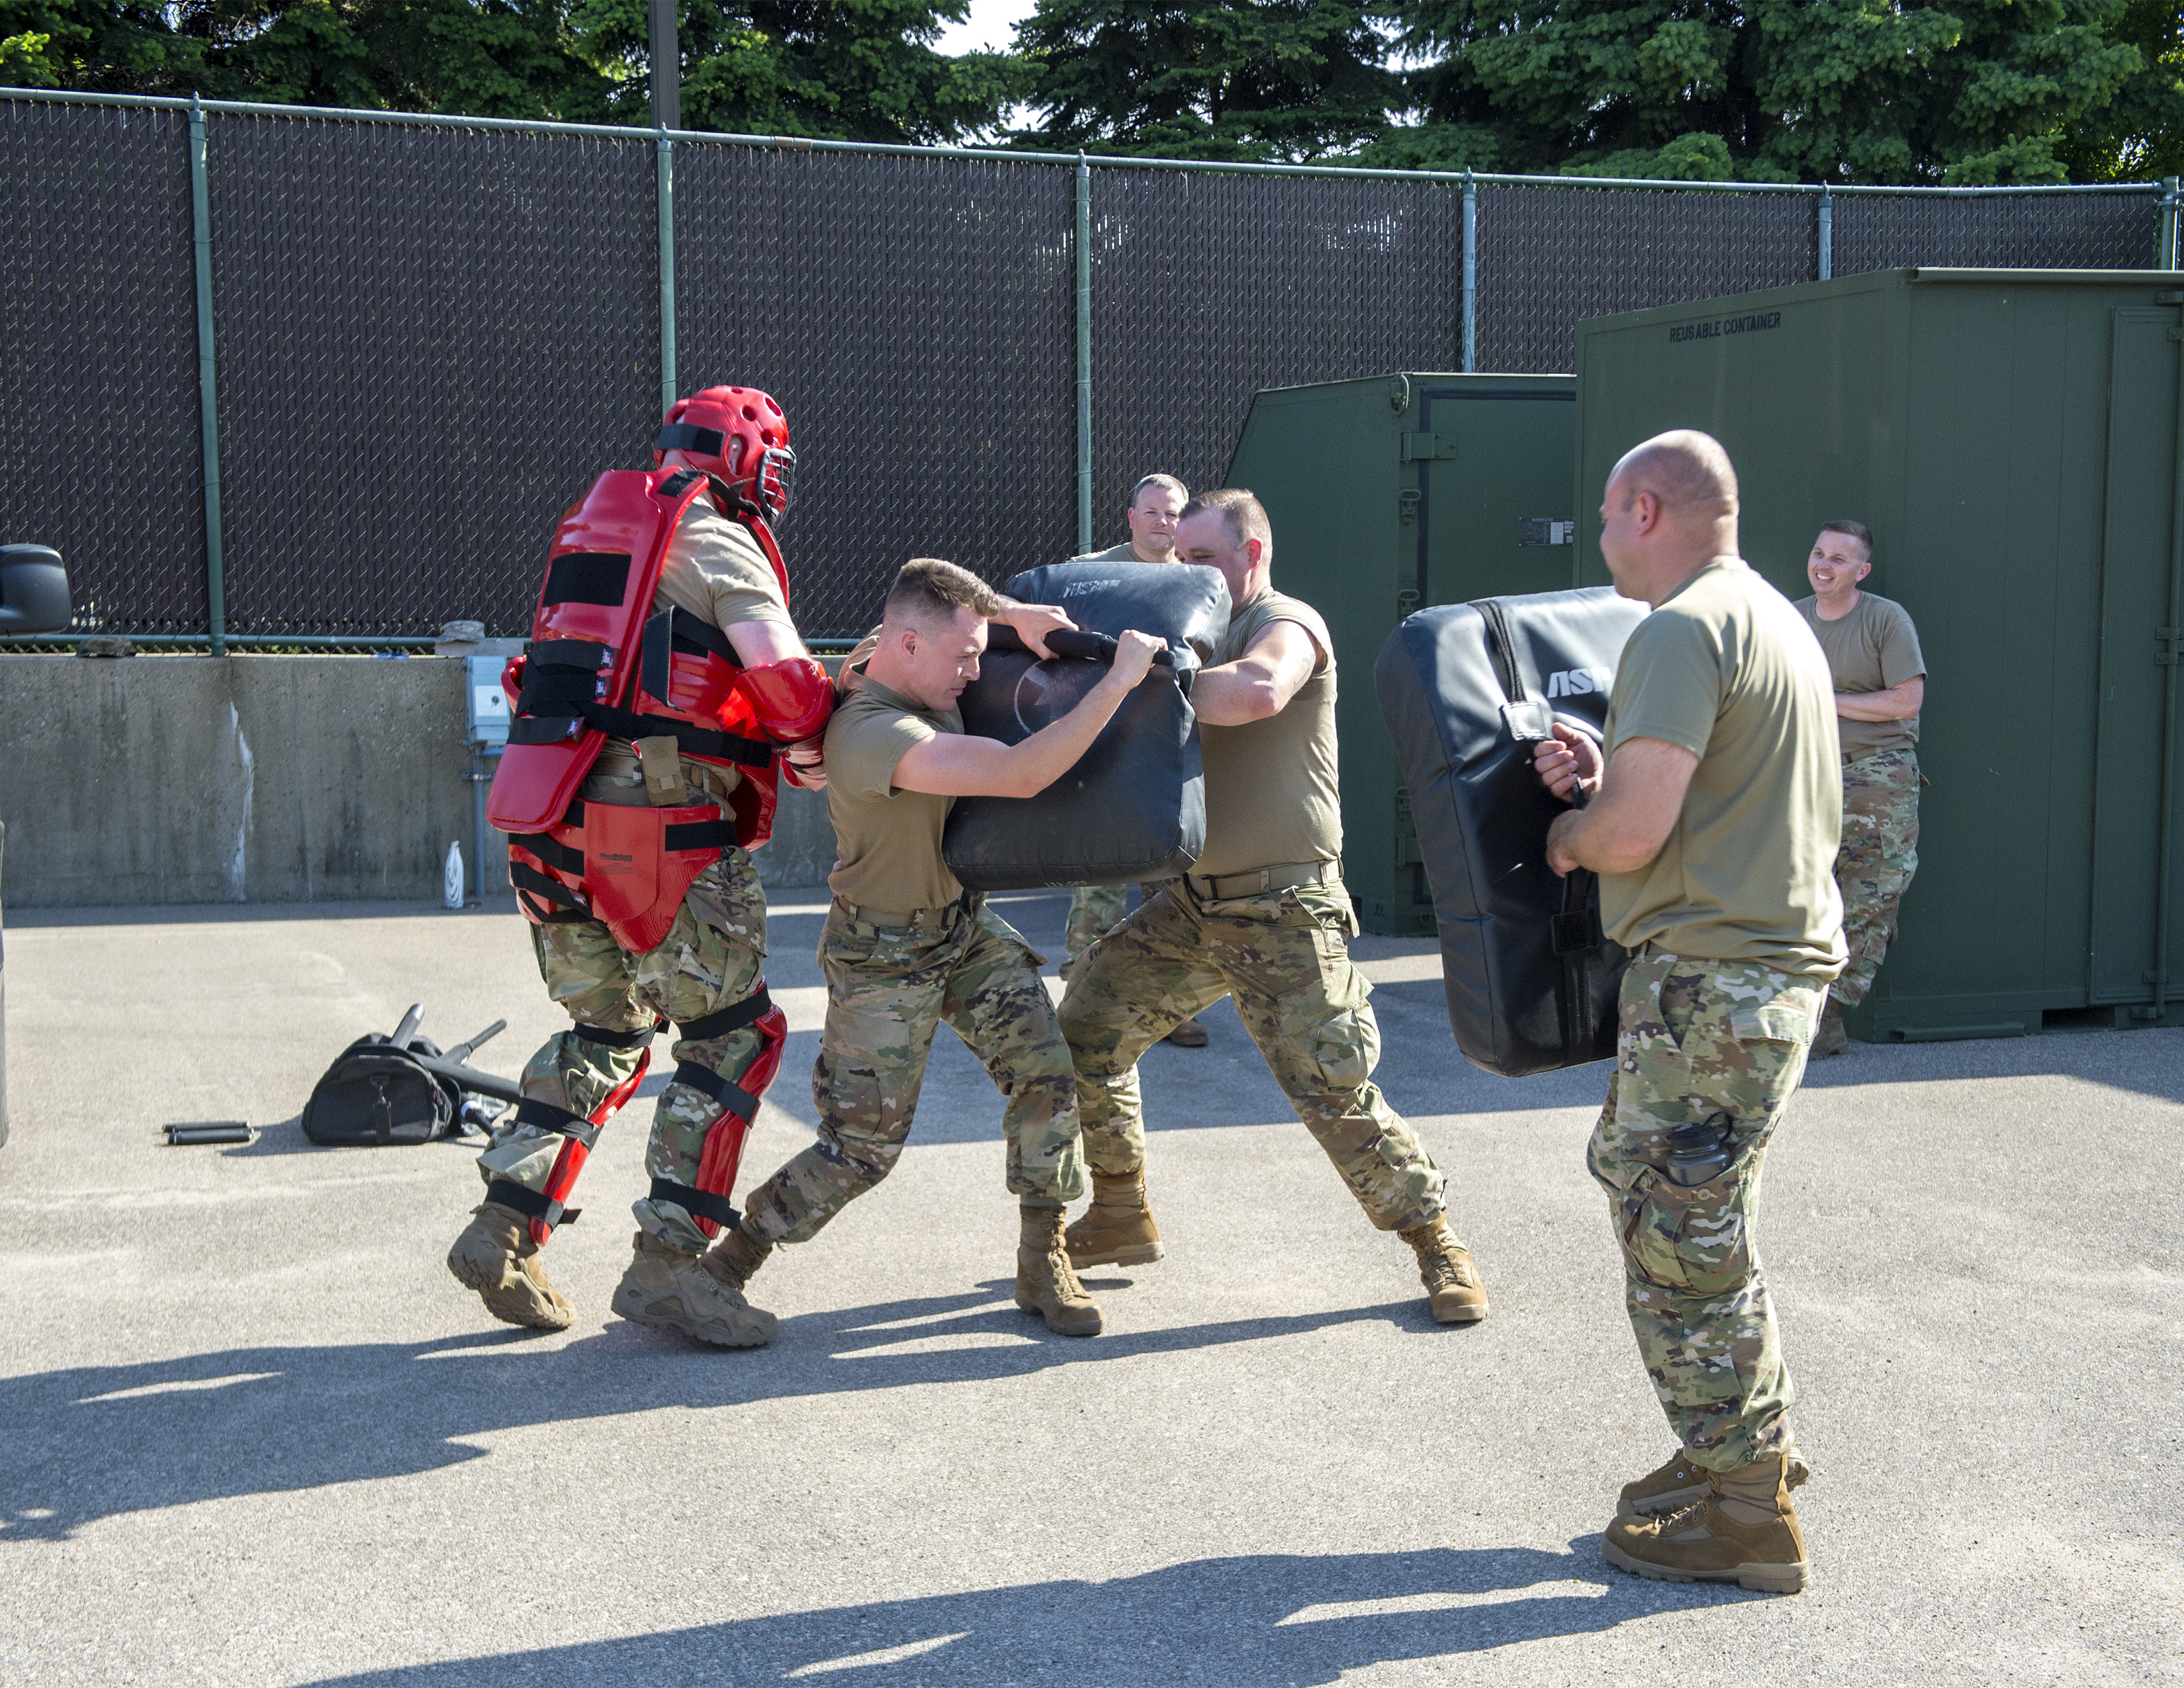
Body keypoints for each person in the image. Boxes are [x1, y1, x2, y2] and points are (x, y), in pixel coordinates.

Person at [445, 386, 833, 1350]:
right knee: (734, 1034)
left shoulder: (602, 521)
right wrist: (832, 728)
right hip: (658, 825)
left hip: (548, 814)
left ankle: (500, 1228)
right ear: (744, 458)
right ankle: (669, 1265)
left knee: (607, 1028)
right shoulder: (717, 533)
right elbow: (782, 681)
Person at [698, 558, 1166, 1337]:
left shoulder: (905, 657)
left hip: (961, 925)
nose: (974, 673)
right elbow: (1019, 775)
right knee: (861, 1149)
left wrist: (1010, 616)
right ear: (907, 647)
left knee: (1047, 1074)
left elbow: (928, 582)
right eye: (963, 658)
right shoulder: (871, 733)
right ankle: (727, 1265)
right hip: (882, 951)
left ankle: (1040, 1256)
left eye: (979, 655)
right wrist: (1118, 681)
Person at [1532, 431, 1844, 1595]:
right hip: (1752, 980)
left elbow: (1626, 836)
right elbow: (1701, 791)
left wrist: (1569, 834)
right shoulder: (1768, 618)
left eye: (1609, 517)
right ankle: (1734, 1449)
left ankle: (1748, 1513)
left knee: (1681, 1246)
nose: (1603, 537)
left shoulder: (1677, 628)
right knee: (1677, 1212)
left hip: (1716, 983)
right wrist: (1604, 768)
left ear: (1647, 509)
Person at [1058, 489, 1489, 1323]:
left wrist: (1135, 681)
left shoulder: (1286, 622)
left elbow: (1258, 691)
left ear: (1251, 555)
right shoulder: (1183, 630)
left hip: (1283, 908)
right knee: (1085, 1032)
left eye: (1205, 559)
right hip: (1189, 908)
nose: (1188, 575)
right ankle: (1119, 1210)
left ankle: (1437, 1242)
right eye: (1178, 561)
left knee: (1333, 1091)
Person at [1061, 473, 1208, 1049]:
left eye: (1172, 514)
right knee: (1098, 875)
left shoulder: (1198, 578)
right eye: (1152, 512)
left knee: (1169, 878)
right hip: (1106, 739)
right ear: (1131, 516)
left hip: (1170, 743)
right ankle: (1078, 996)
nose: (1162, 523)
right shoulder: (1093, 571)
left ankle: (1165, 1010)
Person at [1795, 521, 1926, 1056]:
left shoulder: (1885, 620)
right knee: (1799, 893)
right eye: (1819, 553)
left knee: (1871, 897)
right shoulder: (1792, 619)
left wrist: (1827, 698)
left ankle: (1831, 1013)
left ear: (1862, 571)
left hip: (1878, 777)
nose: (1824, 565)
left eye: (1839, 559)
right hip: (1806, 772)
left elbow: (1905, 701)